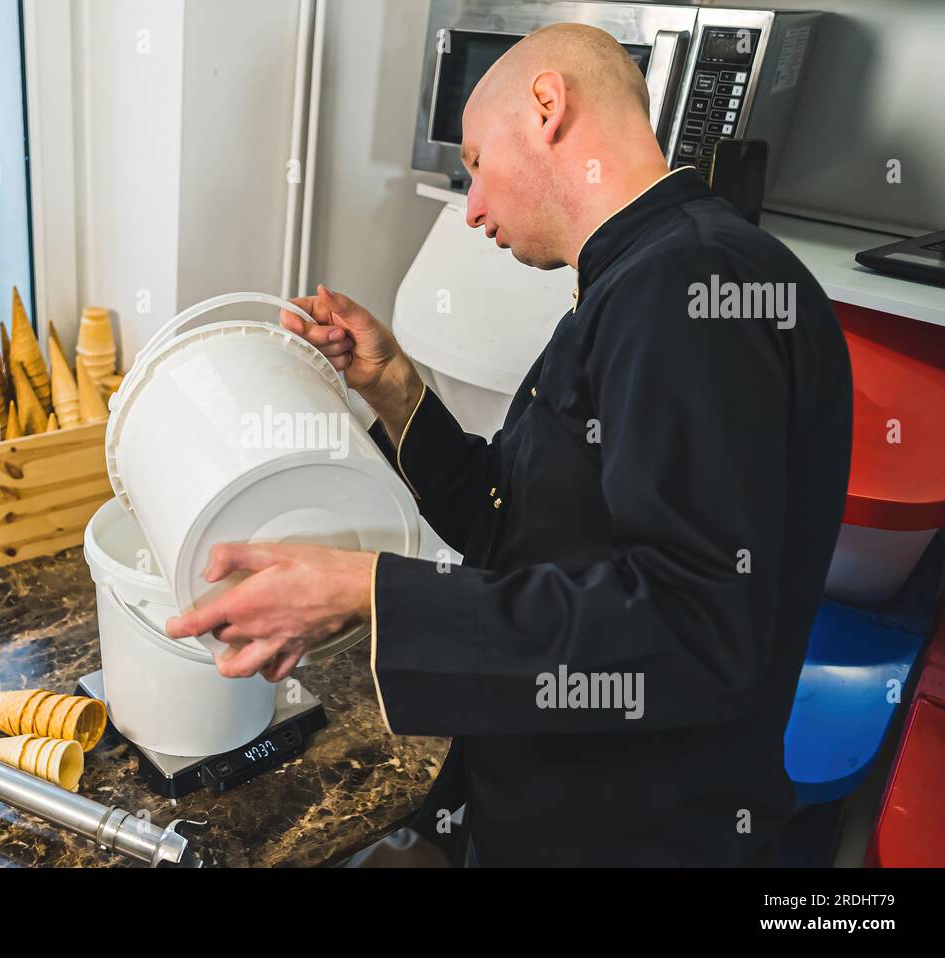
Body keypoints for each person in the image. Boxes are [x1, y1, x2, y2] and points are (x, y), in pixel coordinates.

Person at [165, 23, 852, 866]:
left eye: (477, 165)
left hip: (635, 836)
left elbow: (690, 626)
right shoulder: (638, 278)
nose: (473, 207)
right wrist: (392, 385)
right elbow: (524, 530)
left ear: (547, 105)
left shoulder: (691, 285)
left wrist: (366, 587)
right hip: (551, 796)